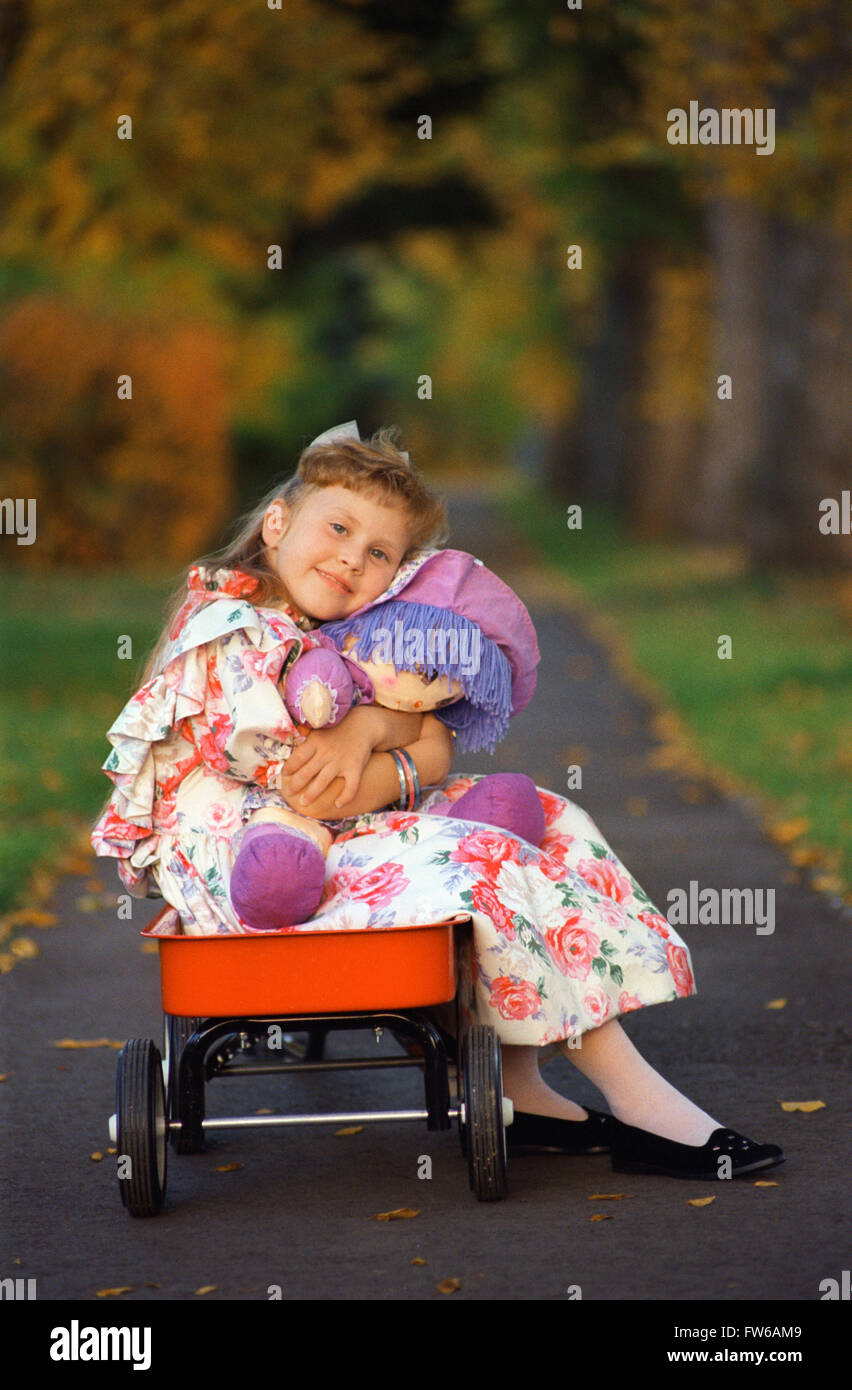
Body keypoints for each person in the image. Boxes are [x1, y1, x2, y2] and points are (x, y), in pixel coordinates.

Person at [92, 420, 784, 1182]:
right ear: (277, 524)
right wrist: (381, 741)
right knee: (486, 862)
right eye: (339, 527)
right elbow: (312, 782)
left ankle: (521, 1085)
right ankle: (648, 1109)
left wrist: (372, 726)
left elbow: (429, 743)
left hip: (339, 825)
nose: (353, 557)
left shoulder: (339, 641)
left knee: (550, 819)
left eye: (378, 552)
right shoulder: (231, 629)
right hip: (255, 859)